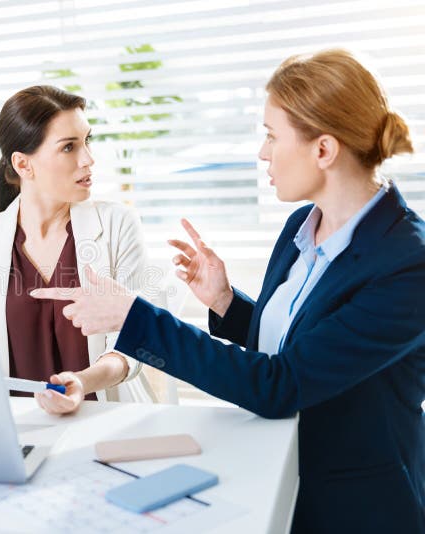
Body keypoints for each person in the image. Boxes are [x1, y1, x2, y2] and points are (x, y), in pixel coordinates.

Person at [33, 50, 424, 532]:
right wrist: (226, 304)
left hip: (357, 508)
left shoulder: (408, 265)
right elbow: (304, 346)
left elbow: (283, 385)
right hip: (285, 477)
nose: (262, 153)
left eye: (271, 136)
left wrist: (134, 316)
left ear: (323, 150)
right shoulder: (303, 225)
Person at [0, 85, 156, 415]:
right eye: (69, 147)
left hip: (105, 419)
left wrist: (82, 384)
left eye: (87, 141)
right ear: (23, 164)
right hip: (17, 427)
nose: (88, 159)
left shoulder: (119, 224)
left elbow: (133, 342)